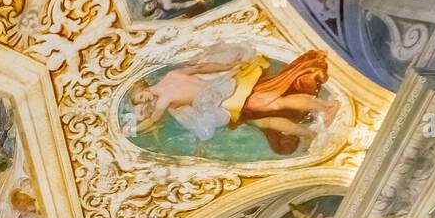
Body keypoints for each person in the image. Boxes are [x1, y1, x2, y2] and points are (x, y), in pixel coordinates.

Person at [128, 43, 336, 156]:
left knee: (276, 102)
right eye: (141, 101)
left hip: (229, 95)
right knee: (265, 120)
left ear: (142, 88)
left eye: (140, 96)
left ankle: (325, 108)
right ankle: (308, 132)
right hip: (224, 102)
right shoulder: (166, 88)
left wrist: (228, 68)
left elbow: (200, 68)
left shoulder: (167, 88)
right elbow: (153, 119)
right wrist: (228, 69)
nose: (144, 100)